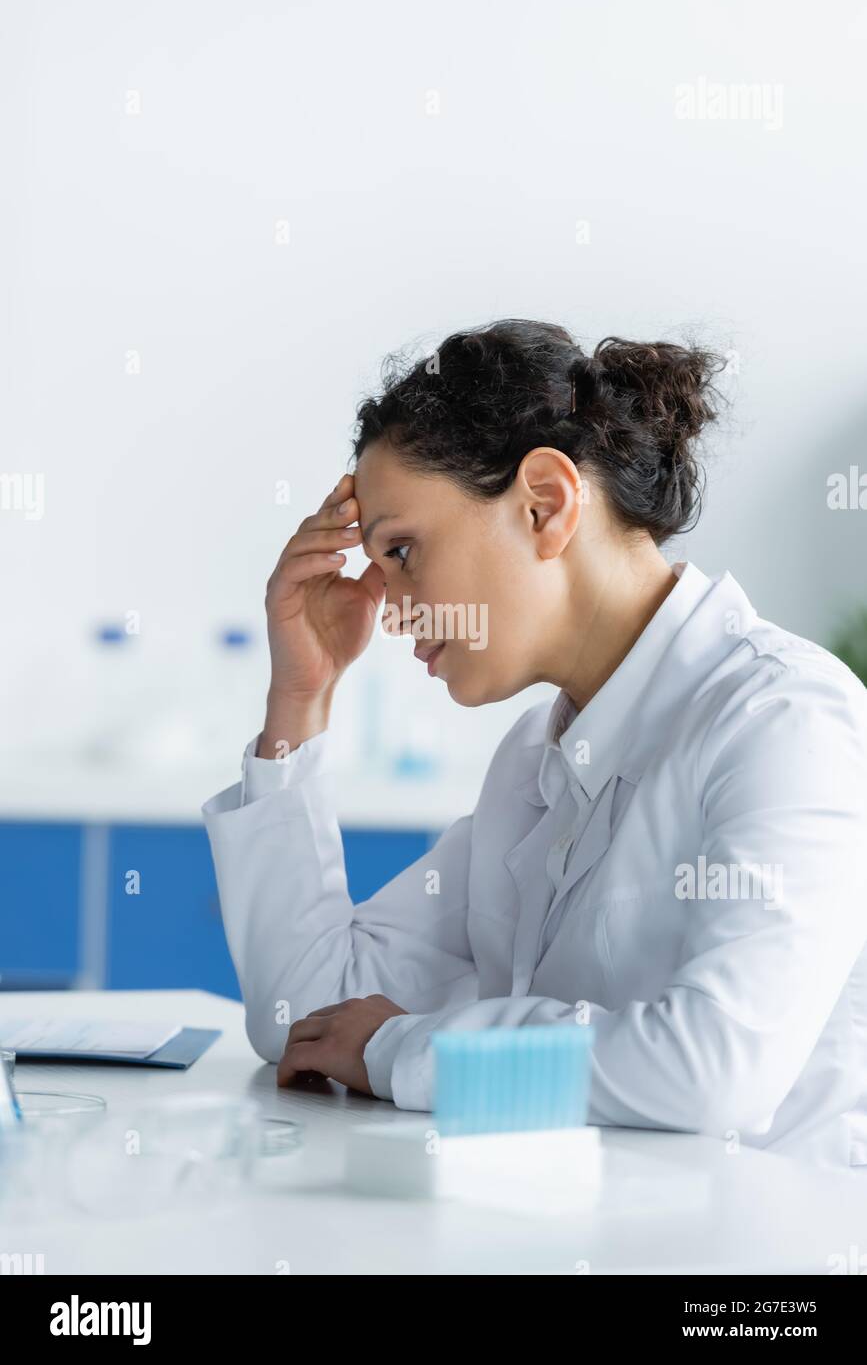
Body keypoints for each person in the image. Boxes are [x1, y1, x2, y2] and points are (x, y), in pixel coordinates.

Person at [202, 318, 867, 1171]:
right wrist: (300, 697)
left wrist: (405, 1051)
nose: (389, 606)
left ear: (543, 503)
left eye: (402, 550)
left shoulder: (783, 718)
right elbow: (309, 1013)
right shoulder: (535, 760)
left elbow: (712, 1072)